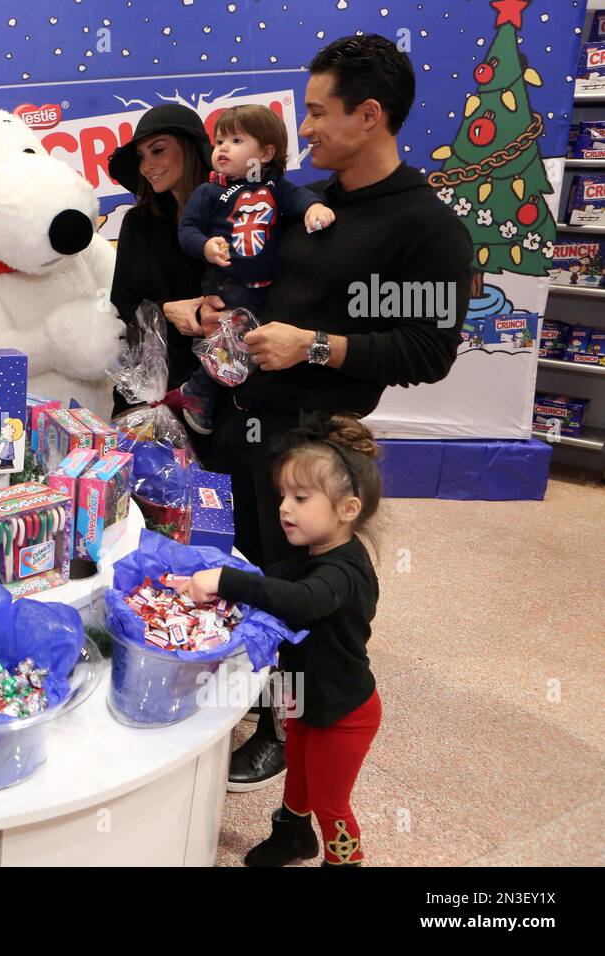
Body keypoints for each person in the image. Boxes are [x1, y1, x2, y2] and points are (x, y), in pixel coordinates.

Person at [205, 35, 472, 791]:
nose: (308, 126)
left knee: (301, 596)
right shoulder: (310, 201)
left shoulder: (424, 227)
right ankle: (255, 698)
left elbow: (426, 351)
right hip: (245, 422)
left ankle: (284, 732)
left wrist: (314, 347)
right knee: (253, 574)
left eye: (320, 113)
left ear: (371, 115)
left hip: (312, 448)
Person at [173, 414, 382, 866]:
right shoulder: (310, 553)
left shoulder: (342, 572)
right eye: (283, 495)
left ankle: (345, 860)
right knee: (298, 778)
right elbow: (272, 588)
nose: (285, 507)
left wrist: (225, 579)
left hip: (342, 708)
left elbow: (300, 602)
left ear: (349, 509)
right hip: (298, 689)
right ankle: (292, 835)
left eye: (301, 497)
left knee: (330, 801)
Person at [175, 105, 336, 435]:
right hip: (226, 282)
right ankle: (198, 389)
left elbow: (302, 198)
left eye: (235, 140)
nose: (222, 148)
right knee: (233, 339)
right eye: (219, 140)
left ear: (265, 153)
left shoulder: (276, 188)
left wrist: (316, 208)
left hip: (266, 288)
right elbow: (187, 229)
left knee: (253, 344)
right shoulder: (211, 191)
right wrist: (206, 246)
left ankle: (215, 395)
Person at [107, 104, 224, 445]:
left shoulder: (229, 217)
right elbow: (122, 303)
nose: (148, 166)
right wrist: (166, 309)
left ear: (190, 149)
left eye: (158, 150)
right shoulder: (138, 223)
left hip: (217, 393)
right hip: (146, 392)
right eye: (142, 156)